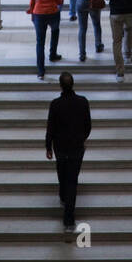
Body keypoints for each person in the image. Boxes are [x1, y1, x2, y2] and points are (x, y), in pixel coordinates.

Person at [45, 71, 92, 230]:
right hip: (76, 147)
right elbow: (88, 126)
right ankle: (68, 216)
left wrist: (48, 146)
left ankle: (64, 199)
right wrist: (81, 138)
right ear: (73, 84)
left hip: (60, 147)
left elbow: (50, 127)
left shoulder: (55, 104)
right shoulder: (82, 102)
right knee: (72, 179)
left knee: (62, 172)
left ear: (60, 86)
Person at [28, 0, 64, 80]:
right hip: (53, 12)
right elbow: (59, 1)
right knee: (55, 31)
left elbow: (32, 1)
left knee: (40, 42)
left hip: (39, 13)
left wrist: (32, 13)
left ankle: (41, 71)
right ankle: (53, 54)